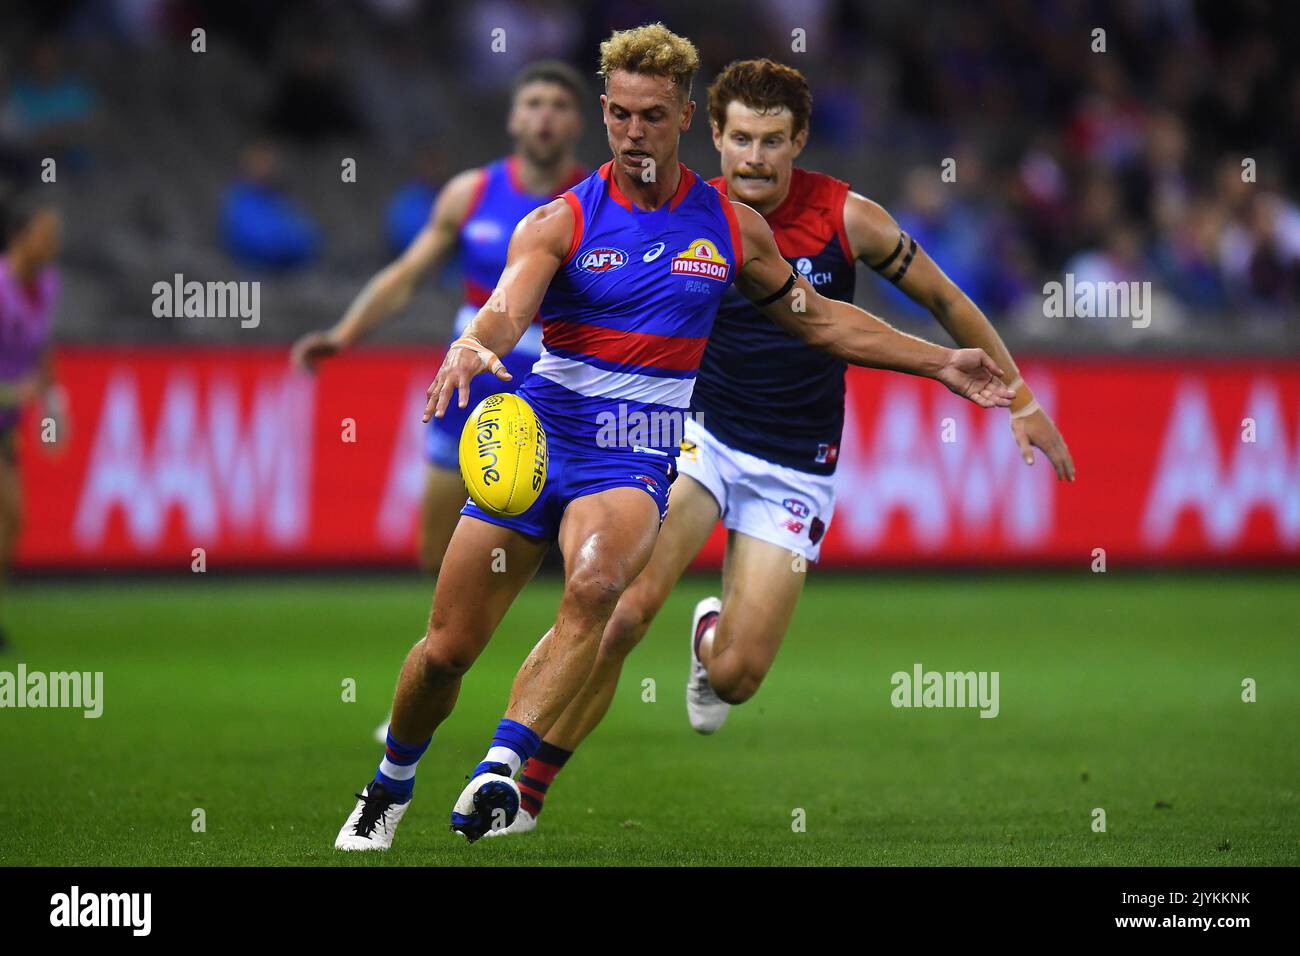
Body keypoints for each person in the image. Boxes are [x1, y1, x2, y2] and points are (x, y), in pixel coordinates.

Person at [334, 24, 1015, 851]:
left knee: (594, 587)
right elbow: (511, 305)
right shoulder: (561, 220)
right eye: (618, 114)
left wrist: (939, 360)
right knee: (445, 652)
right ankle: (391, 782)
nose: (631, 133)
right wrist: (478, 338)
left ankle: (502, 765)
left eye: (651, 115)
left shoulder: (730, 229)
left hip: (634, 454)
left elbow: (823, 321)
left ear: (685, 116)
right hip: (540, 439)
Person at [489, 58, 1076, 835]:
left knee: (736, 677)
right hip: (697, 434)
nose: (754, 159)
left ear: (798, 140)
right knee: (624, 609)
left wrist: (1021, 397)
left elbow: (942, 297)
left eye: (771, 141)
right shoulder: (695, 215)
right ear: (717, 138)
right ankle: (524, 790)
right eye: (739, 140)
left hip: (797, 461)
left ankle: (708, 639)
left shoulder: (848, 217)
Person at [291, 61, 587, 575]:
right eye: (534, 104)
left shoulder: (597, 202)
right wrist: (342, 336)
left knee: (565, 562)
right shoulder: (469, 194)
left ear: (578, 123)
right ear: (514, 120)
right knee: (439, 557)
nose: (545, 117)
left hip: (561, 386)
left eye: (559, 107)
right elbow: (405, 276)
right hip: (470, 382)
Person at [0, 189, 64, 651]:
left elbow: (41, 349)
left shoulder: (48, 286)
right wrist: (16, 390)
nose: (52, 243)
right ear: (18, 239)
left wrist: (51, 397)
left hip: (5, 424)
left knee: (12, 520)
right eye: (45, 235)